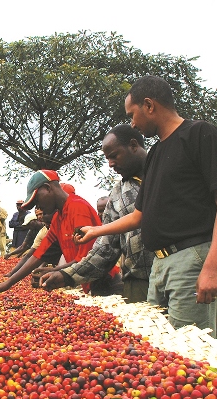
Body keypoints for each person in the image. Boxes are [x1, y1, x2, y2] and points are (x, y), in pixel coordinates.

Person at [74, 76, 217, 337]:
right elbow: (140, 216)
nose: (132, 123)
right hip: (161, 265)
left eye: (132, 115)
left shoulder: (199, 134)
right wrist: (97, 230)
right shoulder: (156, 155)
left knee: (191, 352)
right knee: (159, 348)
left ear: (149, 105)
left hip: (192, 259)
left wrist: (211, 266)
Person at [40, 125, 154, 303]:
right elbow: (105, 248)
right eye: (107, 159)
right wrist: (67, 275)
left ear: (133, 145)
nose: (110, 164)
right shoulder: (118, 194)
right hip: (138, 281)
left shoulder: (163, 174)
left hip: (180, 273)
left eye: (114, 156)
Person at [0, 170, 101, 294]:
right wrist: (8, 282)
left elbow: (86, 259)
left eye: (37, 201)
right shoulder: (58, 218)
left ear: (48, 188)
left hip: (103, 281)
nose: (38, 208)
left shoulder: (78, 208)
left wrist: (54, 271)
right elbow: (38, 254)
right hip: (88, 284)